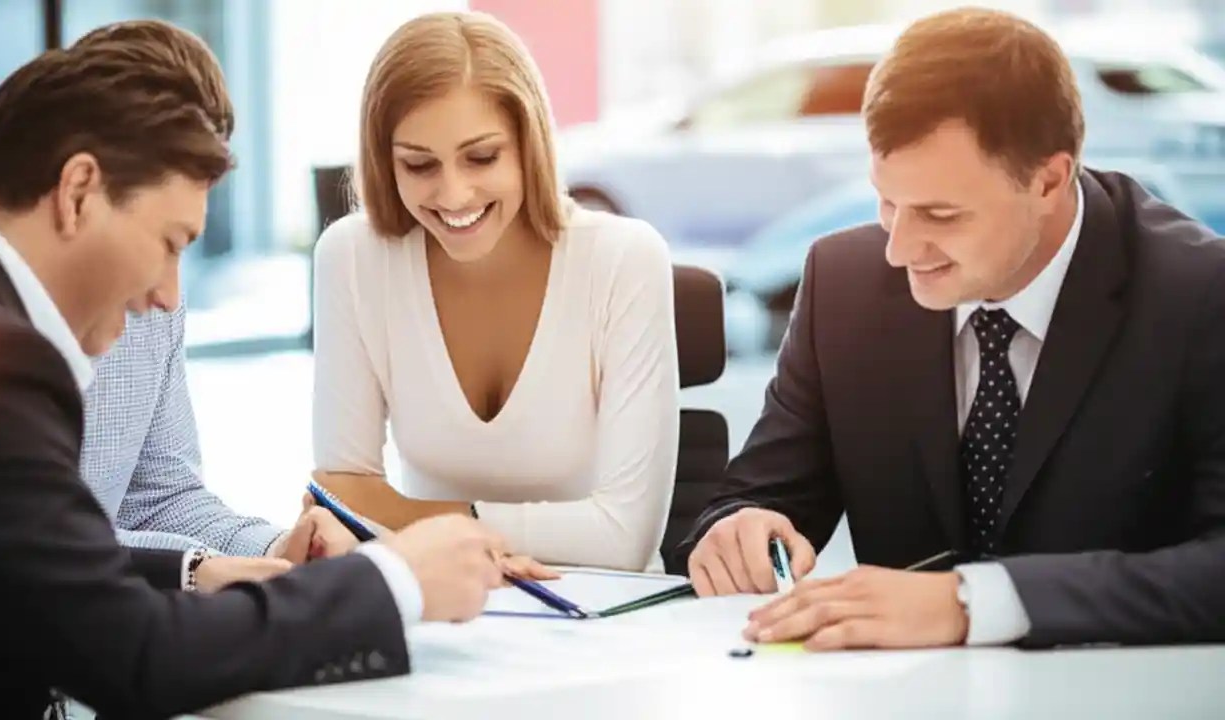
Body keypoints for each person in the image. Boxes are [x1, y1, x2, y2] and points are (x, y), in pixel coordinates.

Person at [0, 19, 503, 719]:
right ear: (79, 190)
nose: (170, 295)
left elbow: (9, 563)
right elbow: (135, 655)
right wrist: (393, 582)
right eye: (170, 242)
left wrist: (197, 567)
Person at [681, 7, 1225, 650]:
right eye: (887, 202)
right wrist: (740, 526)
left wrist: (973, 603)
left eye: (941, 213)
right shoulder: (844, 281)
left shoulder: (1198, 295)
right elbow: (762, 493)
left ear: (1050, 180)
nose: (901, 249)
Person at [310, 11, 680, 573]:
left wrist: (413, 518)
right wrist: (389, 518)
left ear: (529, 145)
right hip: (440, 608)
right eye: (419, 164)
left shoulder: (623, 259)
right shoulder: (353, 258)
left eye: (482, 157)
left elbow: (623, 539)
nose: (453, 194)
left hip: (609, 614)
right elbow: (342, 503)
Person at [81, 303, 363, 591]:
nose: (172, 296)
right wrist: (196, 570)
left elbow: (162, 500)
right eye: (170, 254)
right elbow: (44, 533)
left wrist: (278, 550)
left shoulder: (156, 311)